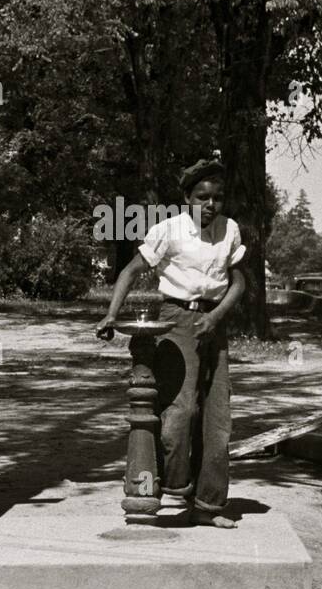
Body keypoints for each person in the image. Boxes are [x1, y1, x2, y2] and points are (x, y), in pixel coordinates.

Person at [96, 159, 247, 529]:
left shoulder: (230, 231)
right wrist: (111, 315)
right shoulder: (169, 230)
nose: (210, 205)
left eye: (217, 198)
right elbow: (132, 270)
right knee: (178, 416)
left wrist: (215, 317)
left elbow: (239, 283)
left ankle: (207, 506)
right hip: (176, 320)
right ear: (186, 198)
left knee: (216, 419)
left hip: (215, 322)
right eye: (202, 197)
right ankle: (174, 485)